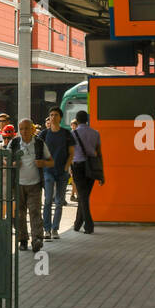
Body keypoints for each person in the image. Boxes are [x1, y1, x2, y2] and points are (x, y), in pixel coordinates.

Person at [9, 118, 53, 251]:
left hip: (35, 184)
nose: (24, 131)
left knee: (34, 212)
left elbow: (51, 161)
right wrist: (13, 164)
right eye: (21, 129)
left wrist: (43, 163)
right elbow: (5, 160)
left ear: (32, 129)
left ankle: (37, 239)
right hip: (18, 184)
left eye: (27, 128)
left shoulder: (39, 143)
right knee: (20, 213)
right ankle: (23, 239)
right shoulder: (14, 143)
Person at [35, 105, 75, 240]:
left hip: (62, 173)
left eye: (56, 115)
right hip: (48, 171)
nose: (53, 117)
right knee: (47, 201)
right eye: (51, 115)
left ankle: (55, 229)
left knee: (59, 202)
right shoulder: (44, 134)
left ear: (60, 118)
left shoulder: (66, 134)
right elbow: (37, 151)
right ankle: (46, 229)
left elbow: (71, 153)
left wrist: (66, 168)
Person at [70, 109, 103, 234]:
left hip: (78, 166)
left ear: (77, 121)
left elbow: (70, 152)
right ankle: (78, 224)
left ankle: (89, 225)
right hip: (92, 166)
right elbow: (99, 153)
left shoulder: (73, 134)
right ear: (87, 120)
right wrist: (101, 173)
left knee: (83, 196)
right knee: (84, 196)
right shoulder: (96, 133)